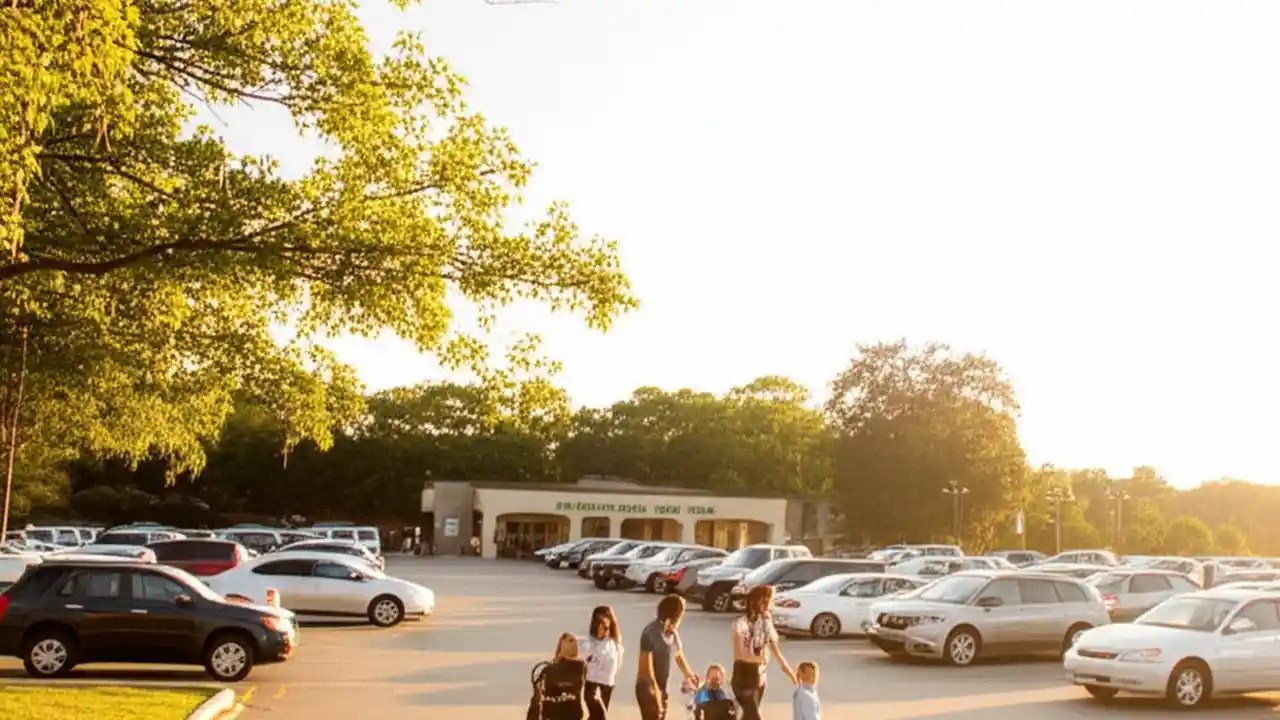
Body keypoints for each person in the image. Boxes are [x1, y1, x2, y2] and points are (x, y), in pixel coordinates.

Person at [731, 585, 796, 720]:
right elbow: (739, 655)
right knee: (754, 716)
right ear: (761, 602)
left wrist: (794, 677)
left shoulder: (766, 622)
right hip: (743, 677)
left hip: (759, 678)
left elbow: (776, 653)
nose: (772, 605)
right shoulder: (741, 623)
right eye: (770, 601)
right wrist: (759, 659)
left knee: (749, 716)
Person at [636, 594, 699, 720]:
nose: (682, 618)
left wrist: (690, 676)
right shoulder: (650, 633)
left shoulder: (672, 633)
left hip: (663, 688)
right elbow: (645, 671)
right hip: (648, 688)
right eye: (681, 615)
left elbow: (679, 656)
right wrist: (656, 694)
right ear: (674, 615)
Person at [580, 606, 623, 720]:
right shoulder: (590, 642)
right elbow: (582, 656)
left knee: (598, 716)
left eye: (604, 626)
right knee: (600, 715)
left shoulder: (614, 641)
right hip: (592, 683)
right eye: (597, 623)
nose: (601, 629)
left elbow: (618, 659)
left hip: (607, 684)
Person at [532, 633, 588, 720]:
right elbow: (541, 696)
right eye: (571, 641)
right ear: (562, 644)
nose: (575, 644)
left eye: (576, 642)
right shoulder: (548, 670)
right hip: (554, 715)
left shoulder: (581, 666)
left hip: (575, 714)